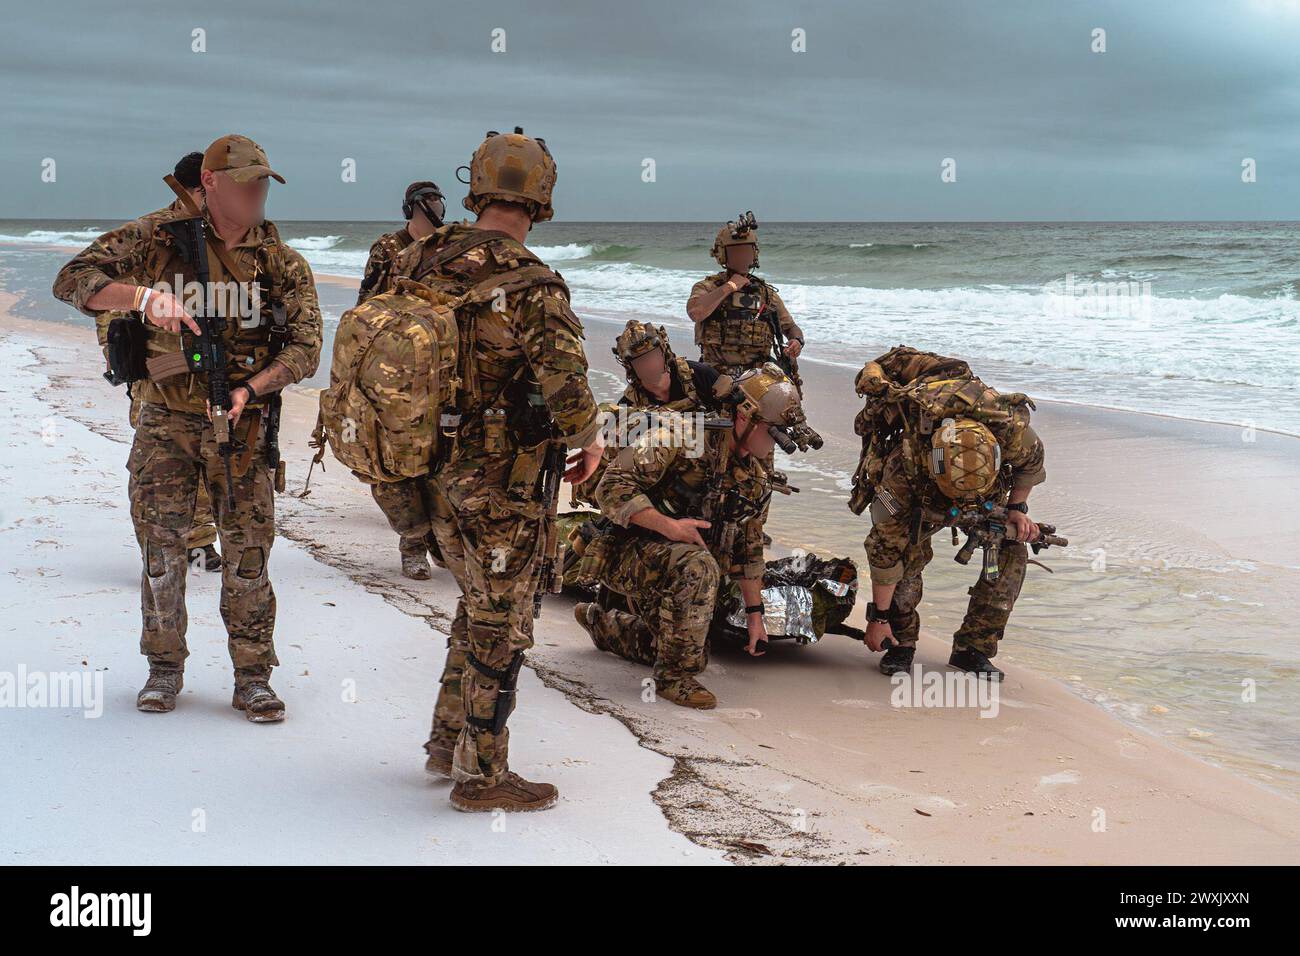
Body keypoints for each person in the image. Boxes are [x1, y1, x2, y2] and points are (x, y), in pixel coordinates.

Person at [53, 134, 322, 720]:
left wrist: (253, 388)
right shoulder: (155, 239)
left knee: (248, 553)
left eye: (262, 183)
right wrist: (143, 296)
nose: (256, 193)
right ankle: (163, 669)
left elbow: (307, 348)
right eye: (245, 182)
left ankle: (253, 676)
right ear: (210, 182)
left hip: (244, 426)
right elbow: (73, 279)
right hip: (165, 421)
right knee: (161, 551)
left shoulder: (279, 262)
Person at [391, 128, 604, 812]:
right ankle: (483, 775)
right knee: (502, 622)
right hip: (499, 486)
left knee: (474, 605)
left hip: (423, 468)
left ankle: (443, 739)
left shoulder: (419, 260)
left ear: (475, 185)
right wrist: (589, 441)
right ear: (541, 197)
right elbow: (567, 389)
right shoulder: (533, 282)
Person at [574, 365, 806, 709]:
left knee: (694, 651)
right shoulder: (684, 436)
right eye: (772, 433)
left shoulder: (753, 478)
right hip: (624, 552)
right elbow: (612, 487)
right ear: (744, 418)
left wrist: (755, 615)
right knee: (699, 569)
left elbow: (749, 547)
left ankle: (606, 625)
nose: (772, 444)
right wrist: (670, 527)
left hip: (675, 565)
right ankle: (673, 679)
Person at [849, 346, 1048, 680]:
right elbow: (884, 551)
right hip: (923, 500)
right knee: (908, 557)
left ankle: (973, 649)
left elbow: (1032, 465)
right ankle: (901, 642)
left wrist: (1016, 509)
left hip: (990, 495)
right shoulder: (902, 475)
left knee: (1011, 552)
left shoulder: (1011, 429)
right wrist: (878, 618)